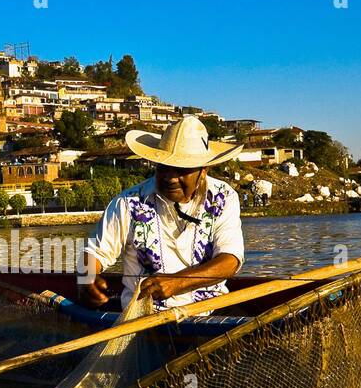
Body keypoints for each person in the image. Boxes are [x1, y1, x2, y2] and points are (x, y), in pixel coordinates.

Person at [83, 115, 245, 311]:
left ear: (203, 171)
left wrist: (177, 282)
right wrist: (87, 276)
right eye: (164, 168)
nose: (171, 178)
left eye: (181, 170)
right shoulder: (128, 202)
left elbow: (230, 260)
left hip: (209, 311)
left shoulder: (224, 197)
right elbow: (95, 252)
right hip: (144, 316)